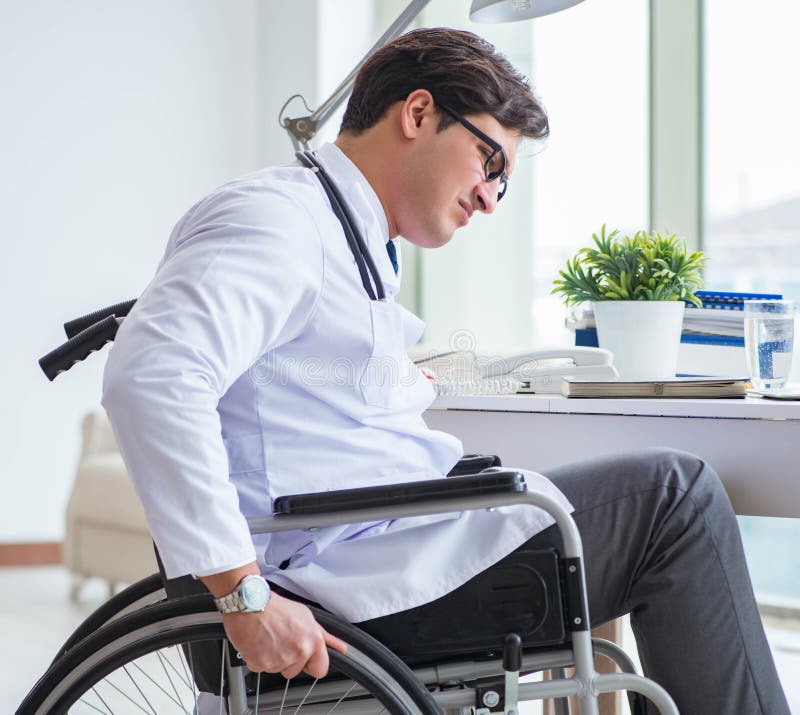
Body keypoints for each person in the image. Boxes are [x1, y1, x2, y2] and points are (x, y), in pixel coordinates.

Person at [102, 27, 789, 713]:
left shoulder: (343, 234)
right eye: (489, 162)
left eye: (503, 183)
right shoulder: (279, 219)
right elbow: (154, 377)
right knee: (676, 497)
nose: (490, 197)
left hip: (378, 555)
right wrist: (244, 594)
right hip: (347, 588)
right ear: (419, 112)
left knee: (640, 493)